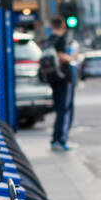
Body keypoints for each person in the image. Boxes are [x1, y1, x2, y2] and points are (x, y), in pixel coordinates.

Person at [41, 15, 75, 151]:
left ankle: (55, 138)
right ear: (63, 25)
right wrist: (73, 58)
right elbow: (62, 56)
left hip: (53, 79)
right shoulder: (61, 39)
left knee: (59, 109)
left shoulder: (48, 40)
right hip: (64, 78)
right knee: (65, 110)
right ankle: (61, 139)